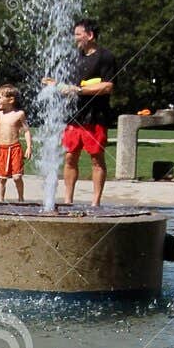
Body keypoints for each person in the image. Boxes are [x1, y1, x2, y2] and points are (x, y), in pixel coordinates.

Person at [43, 18, 116, 209]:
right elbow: (68, 85)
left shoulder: (105, 57)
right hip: (74, 117)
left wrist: (79, 91)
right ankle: (68, 200)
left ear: (90, 35)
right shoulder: (73, 57)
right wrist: (55, 84)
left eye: (78, 34)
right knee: (69, 157)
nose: (74, 38)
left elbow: (108, 86)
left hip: (96, 117)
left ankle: (95, 202)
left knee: (96, 158)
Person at [0, 85, 32, 203]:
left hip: (15, 148)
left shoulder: (19, 114)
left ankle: (21, 199)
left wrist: (29, 146)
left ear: (11, 100)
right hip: (2, 149)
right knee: (2, 178)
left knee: (17, 177)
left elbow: (27, 131)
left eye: (0, 97)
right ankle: (0, 200)